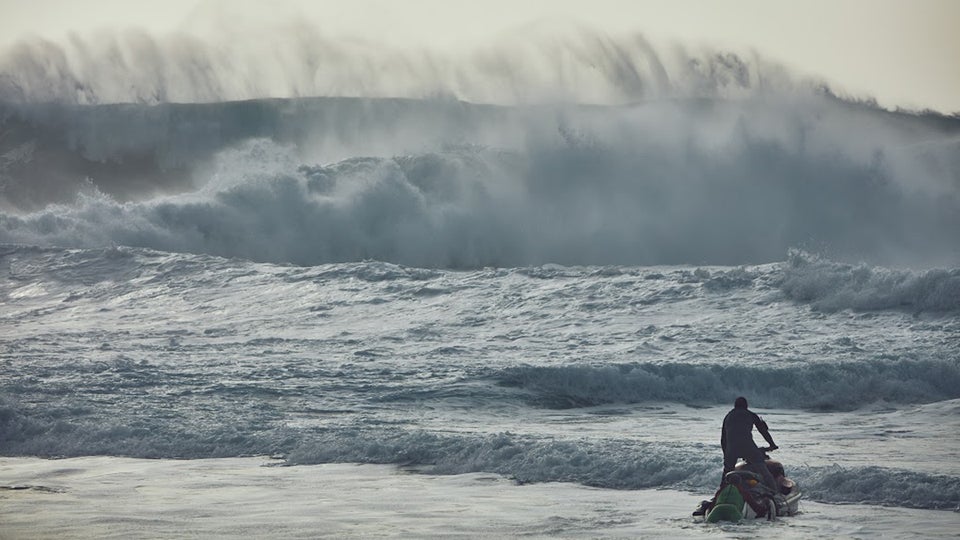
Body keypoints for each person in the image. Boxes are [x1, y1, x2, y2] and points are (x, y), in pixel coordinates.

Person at [720, 396, 779, 493]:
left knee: (727, 473)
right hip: (748, 448)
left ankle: (720, 494)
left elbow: (723, 439)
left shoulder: (728, 417)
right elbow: (763, 431)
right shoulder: (750, 414)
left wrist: (726, 454)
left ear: (735, 406)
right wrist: (772, 444)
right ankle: (775, 494)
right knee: (764, 472)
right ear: (746, 406)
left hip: (731, 449)